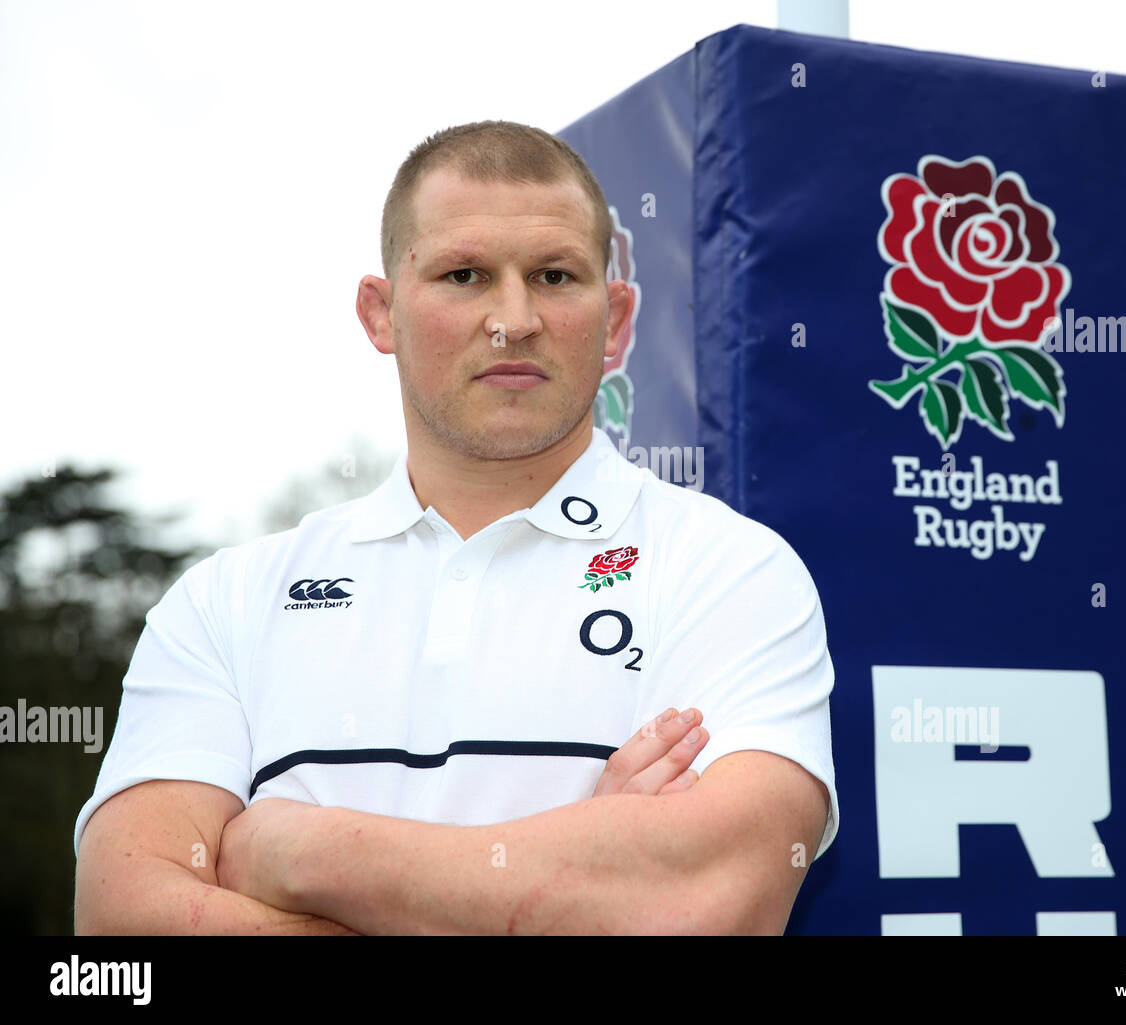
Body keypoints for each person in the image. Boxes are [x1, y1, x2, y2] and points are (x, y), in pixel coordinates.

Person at [73, 121, 838, 935]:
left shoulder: (730, 570)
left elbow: (707, 904)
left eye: (553, 275)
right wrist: (581, 871)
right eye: (464, 275)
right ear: (382, 313)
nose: (513, 320)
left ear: (616, 319)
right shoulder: (224, 602)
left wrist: (301, 854)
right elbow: (122, 926)